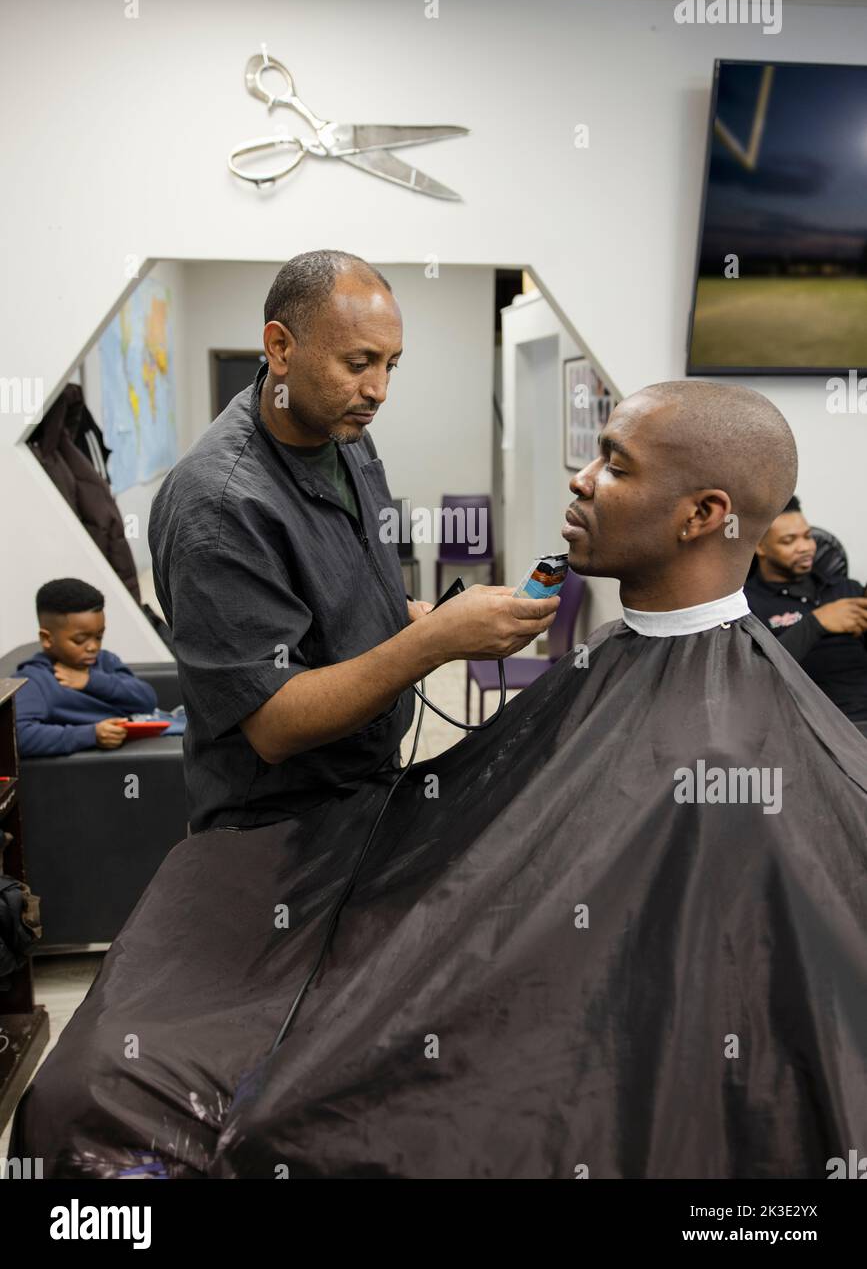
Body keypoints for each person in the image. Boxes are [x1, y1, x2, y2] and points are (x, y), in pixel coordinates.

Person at [9, 381, 867, 1179]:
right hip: (391, 895)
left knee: (100, 1096)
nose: (581, 476)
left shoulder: (719, 766)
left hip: (484, 1004)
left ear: (702, 515)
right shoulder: (619, 658)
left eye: (614, 463)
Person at [147, 249, 559, 833]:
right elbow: (275, 723)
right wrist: (435, 642)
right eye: (360, 361)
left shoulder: (344, 436)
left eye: (392, 364)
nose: (380, 389)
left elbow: (346, 581)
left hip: (369, 775)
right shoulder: (220, 504)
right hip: (279, 824)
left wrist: (412, 615)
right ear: (281, 347)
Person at [745, 496, 867, 732]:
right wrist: (816, 623)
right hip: (817, 729)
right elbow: (753, 674)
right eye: (789, 541)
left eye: (808, 536)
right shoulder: (748, 605)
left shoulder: (847, 589)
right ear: (760, 546)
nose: (805, 547)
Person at [14, 579, 157, 757]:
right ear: (47, 639)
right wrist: (90, 735)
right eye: (80, 640)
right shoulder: (34, 680)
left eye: (99, 636)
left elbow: (147, 700)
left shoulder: (105, 661)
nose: (93, 647)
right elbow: (18, 737)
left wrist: (91, 681)